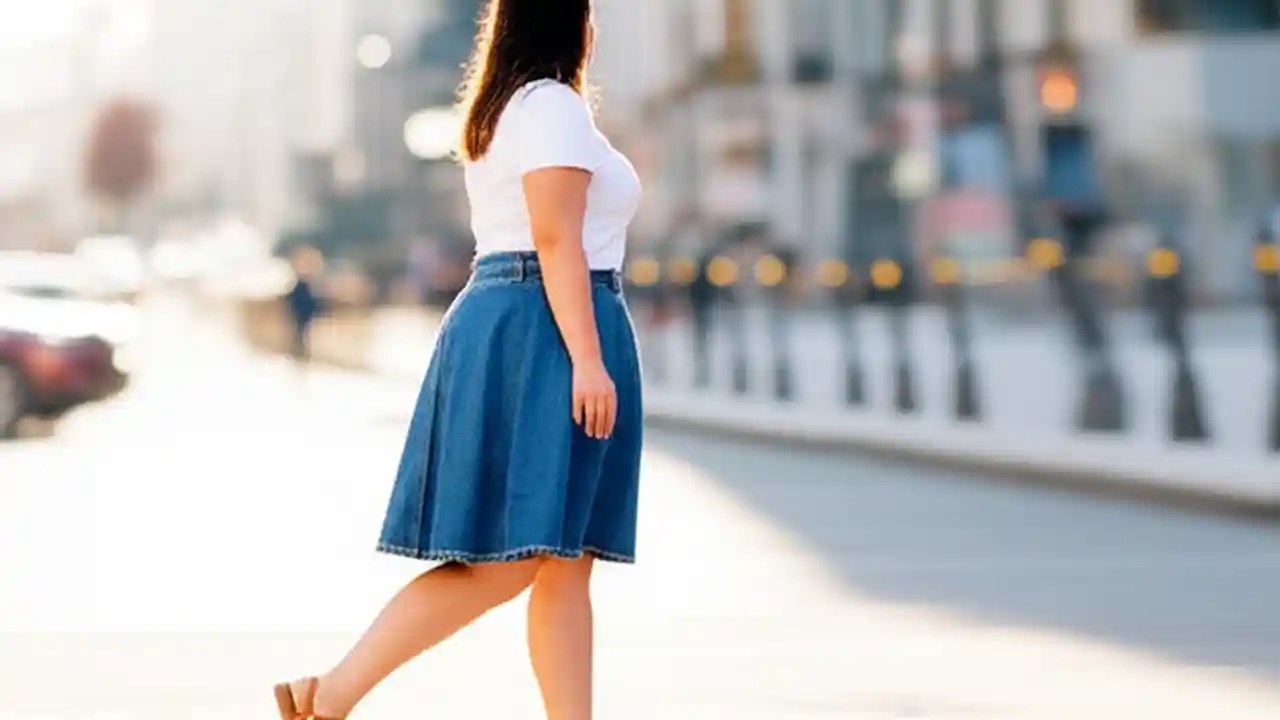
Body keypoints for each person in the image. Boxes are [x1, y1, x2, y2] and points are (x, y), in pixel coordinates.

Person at [274, 1, 644, 718]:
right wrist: (589, 361)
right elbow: (557, 240)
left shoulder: (514, 107)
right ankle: (331, 696)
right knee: (515, 560)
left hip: (530, 316)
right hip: (547, 326)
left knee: (565, 565)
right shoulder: (552, 107)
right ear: (573, 25)